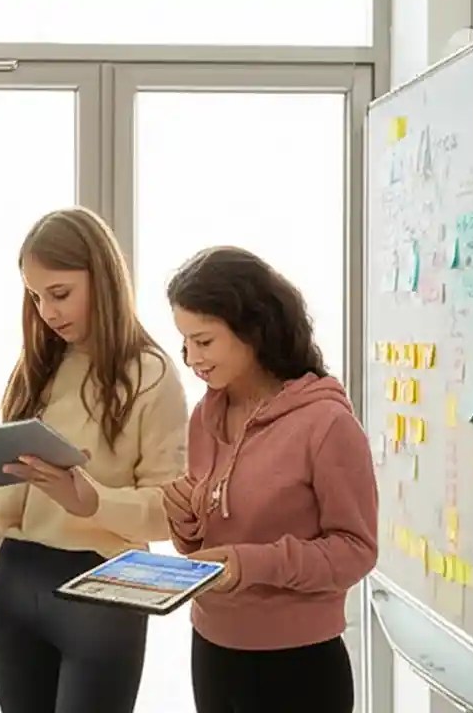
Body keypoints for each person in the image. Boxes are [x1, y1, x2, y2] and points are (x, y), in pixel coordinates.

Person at [0, 207, 189, 713]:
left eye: (60, 293)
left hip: (107, 584)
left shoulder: (152, 375)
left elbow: (170, 511)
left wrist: (92, 501)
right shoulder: (36, 370)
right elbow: (6, 509)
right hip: (17, 580)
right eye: (35, 296)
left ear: (103, 278)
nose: (47, 311)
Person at [160, 246, 378, 713]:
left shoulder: (326, 425)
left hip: (297, 664)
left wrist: (250, 565)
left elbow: (355, 550)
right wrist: (186, 521)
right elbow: (208, 540)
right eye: (185, 343)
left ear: (253, 331)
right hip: (212, 649)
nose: (192, 359)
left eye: (204, 341)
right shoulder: (205, 417)